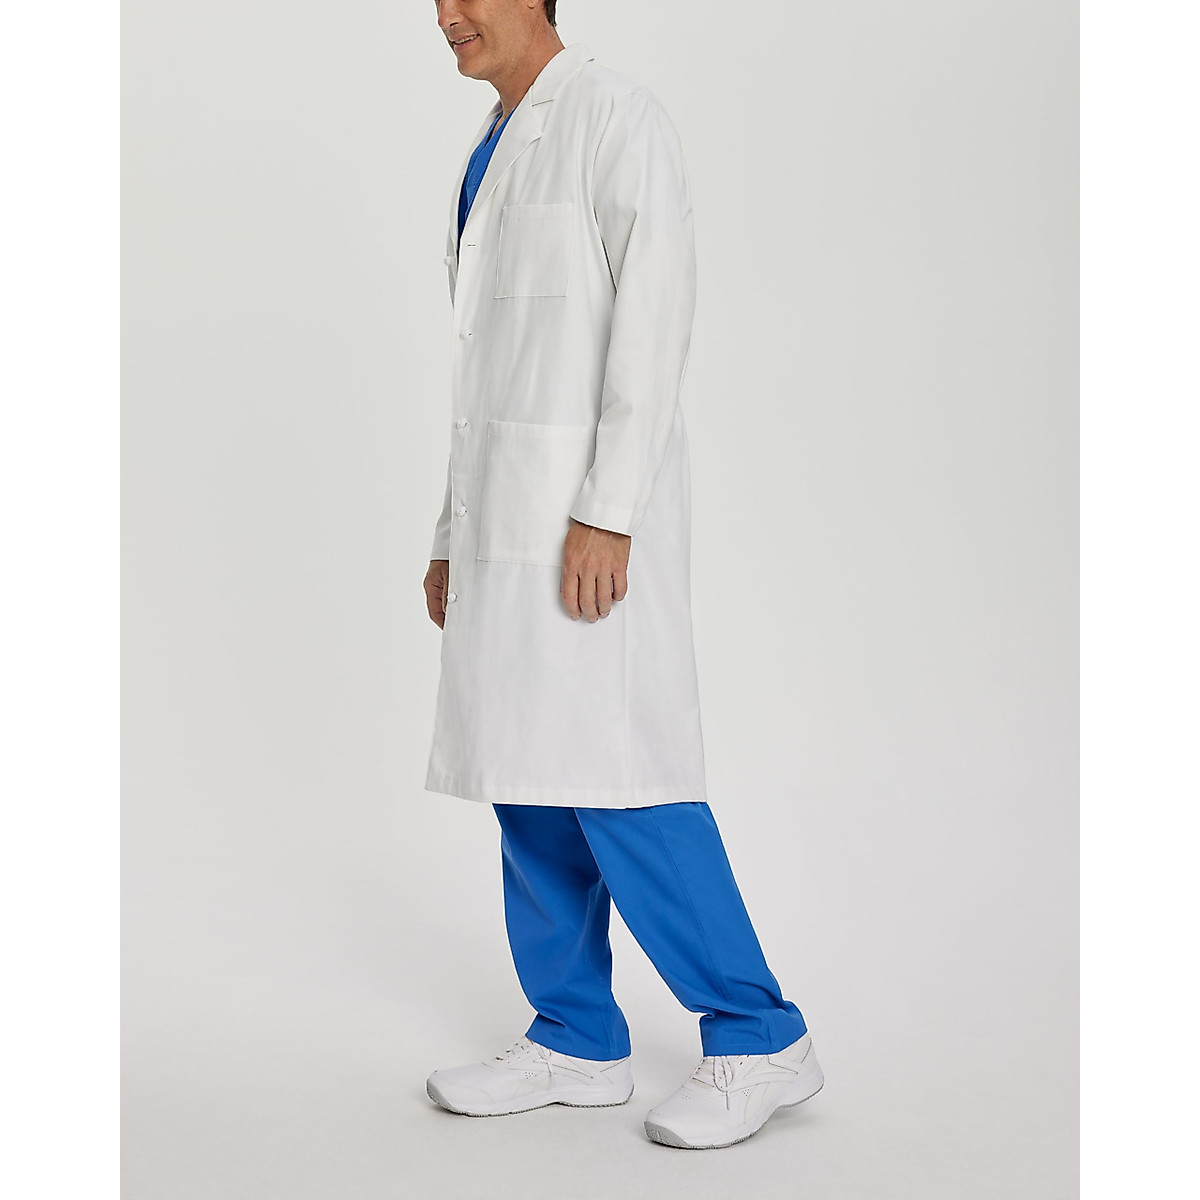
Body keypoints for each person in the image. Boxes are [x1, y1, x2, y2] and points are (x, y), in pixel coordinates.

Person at [421, 1, 823, 1150]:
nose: (446, 15)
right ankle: (577, 1037)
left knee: (623, 779)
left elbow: (653, 323)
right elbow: (482, 373)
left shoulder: (616, 118)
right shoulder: (488, 149)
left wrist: (609, 510)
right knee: (528, 779)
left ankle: (759, 1033)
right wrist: (451, 530)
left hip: (586, 525)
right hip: (505, 525)